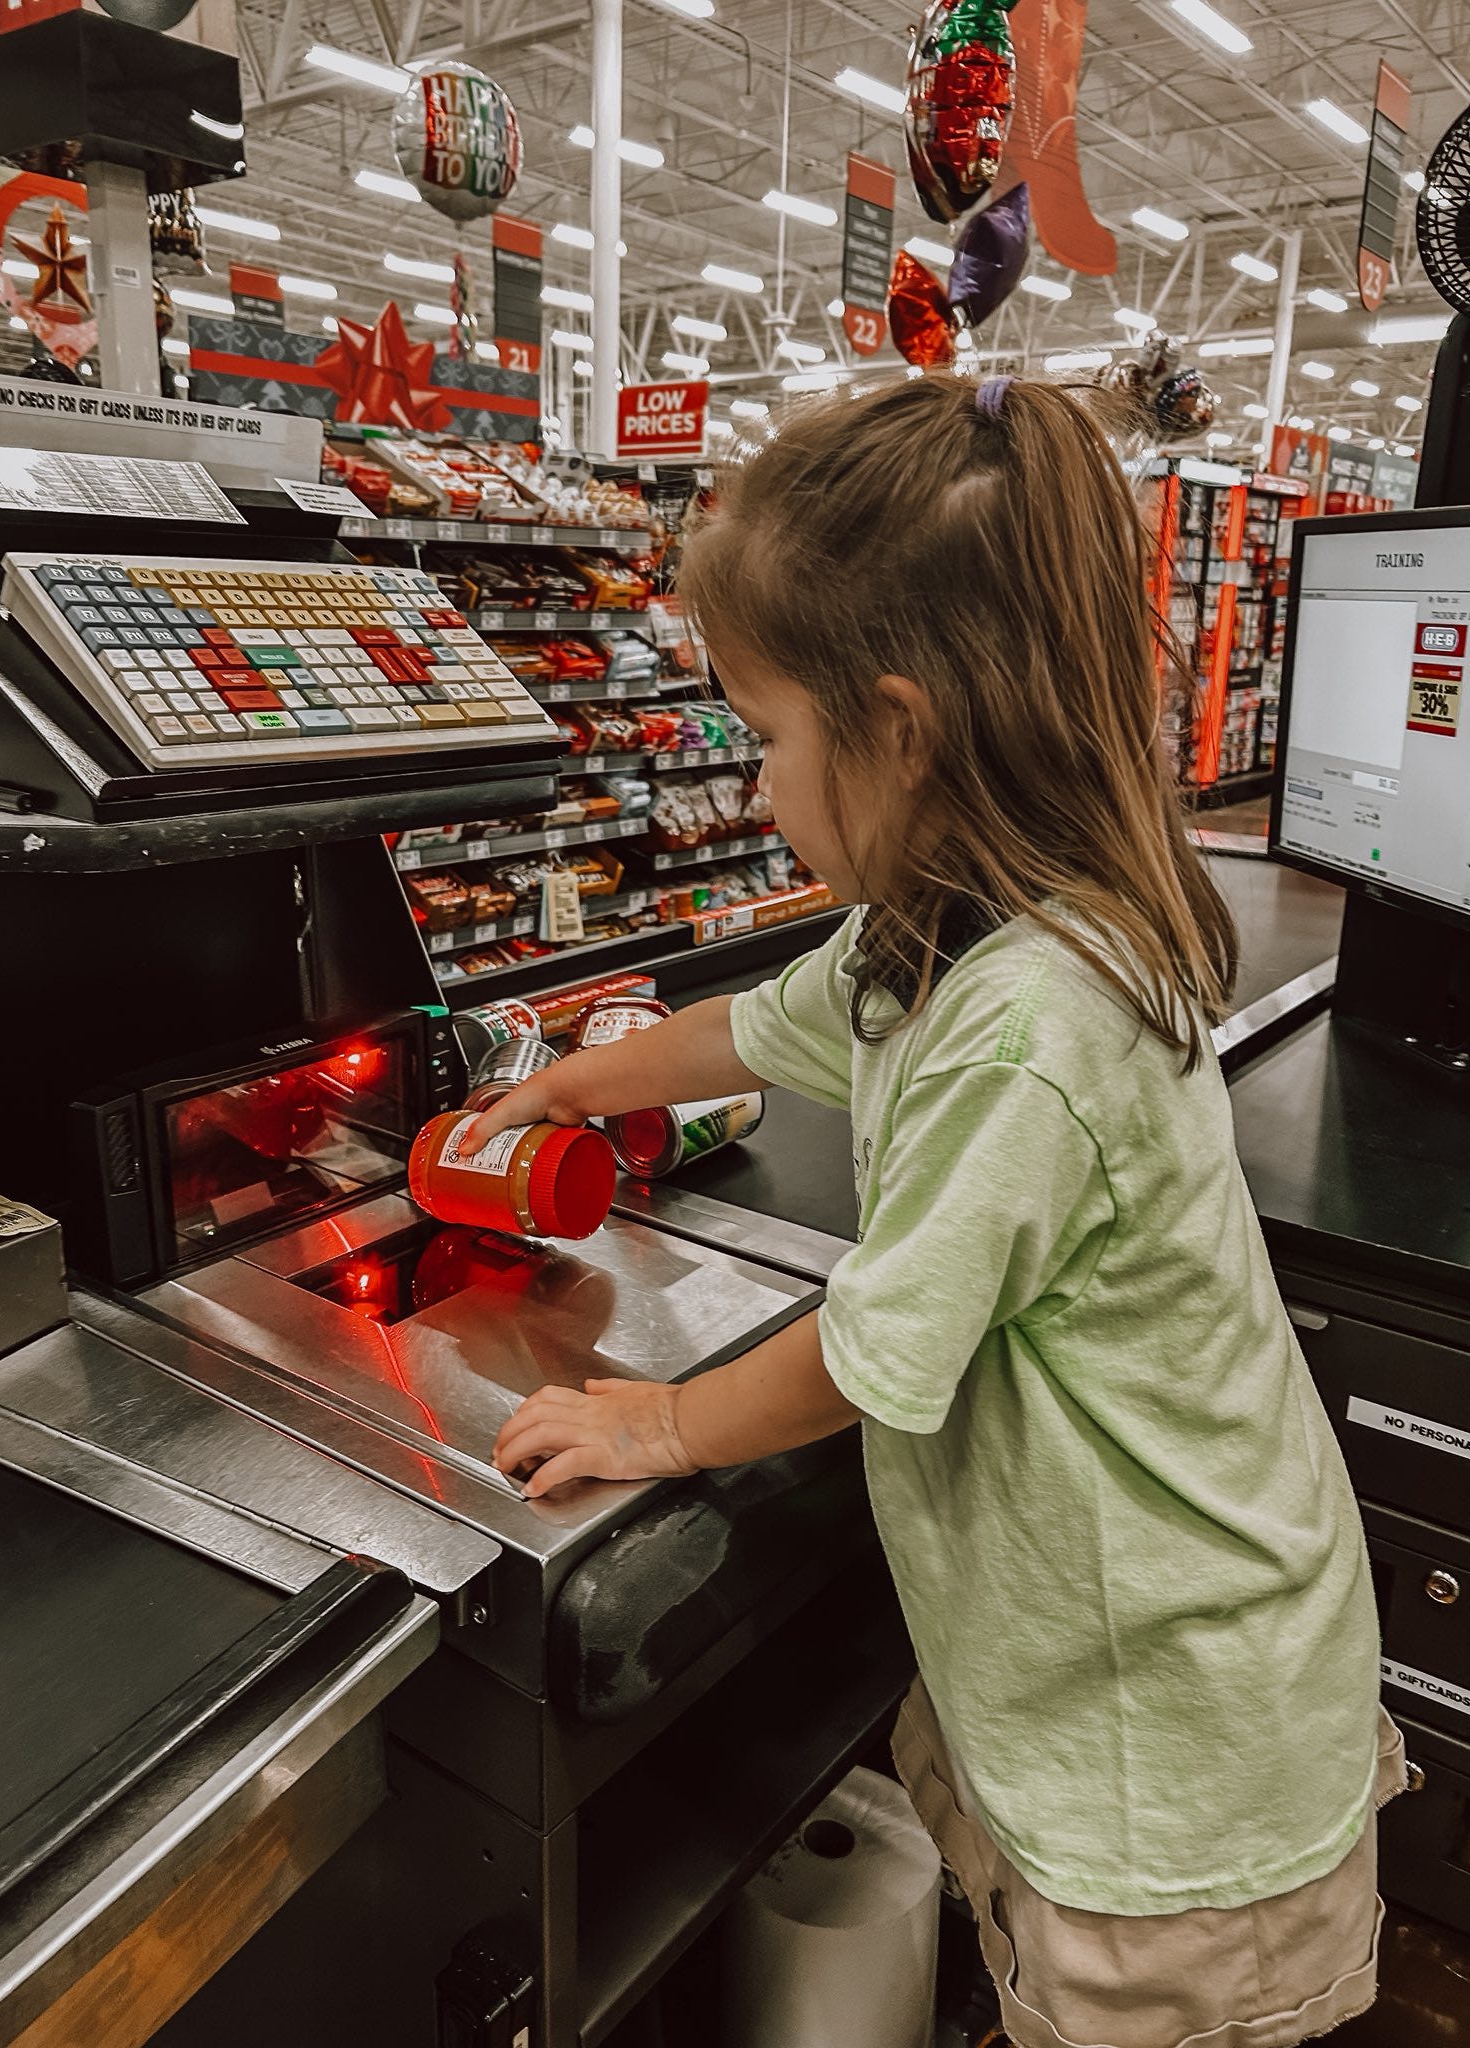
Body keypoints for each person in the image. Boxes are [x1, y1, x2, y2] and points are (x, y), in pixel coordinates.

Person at [465, 374, 1399, 2048]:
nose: (754, 792)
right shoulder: (944, 920)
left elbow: (870, 1354)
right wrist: (560, 1084)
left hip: (1175, 1784)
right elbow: (743, 1029)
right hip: (1077, 1693)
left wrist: (663, 1423)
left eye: (766, 736)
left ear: (899, 729)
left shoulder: (1032, 1017)